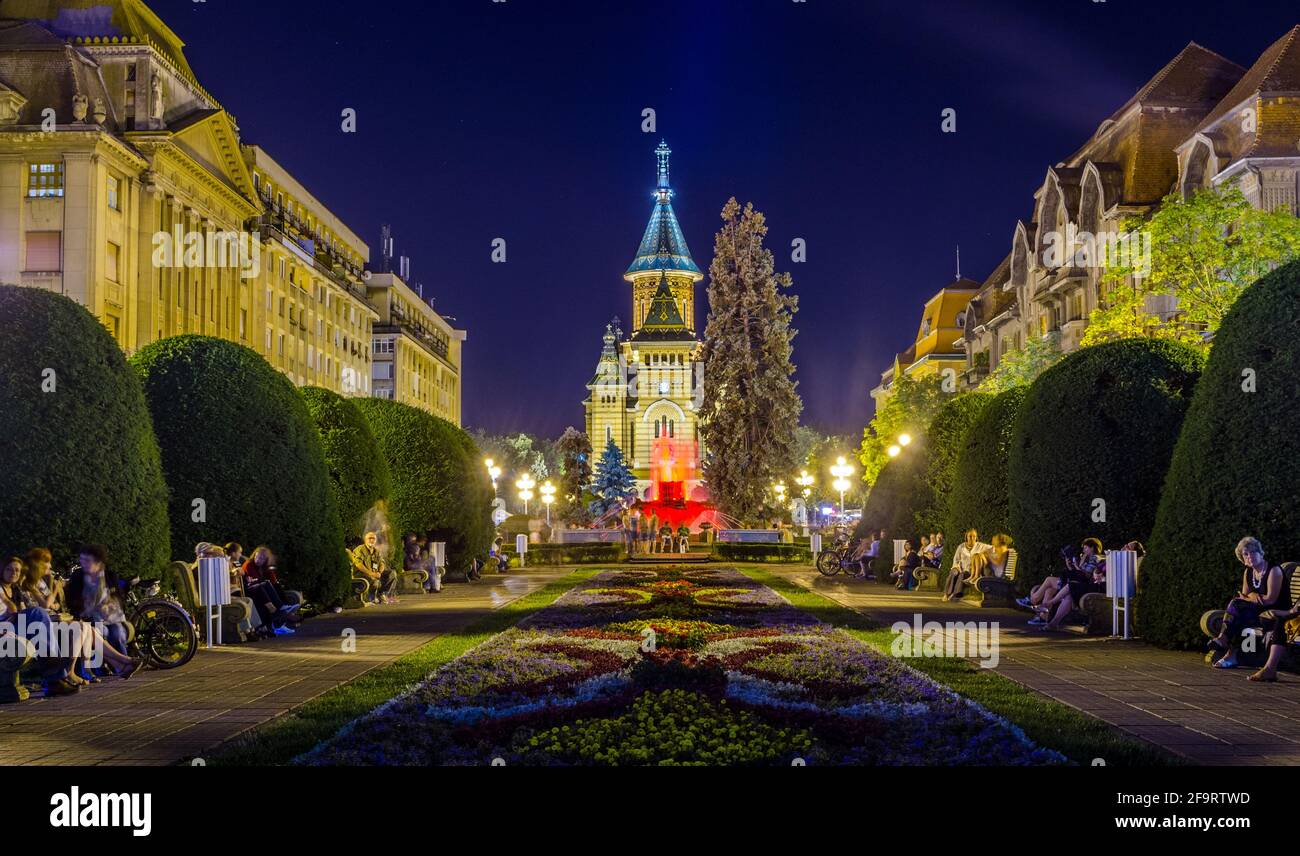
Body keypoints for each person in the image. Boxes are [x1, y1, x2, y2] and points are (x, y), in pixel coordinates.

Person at [1207, 537, 1284, 670]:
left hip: (1275, 612)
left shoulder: (1273, 570)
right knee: (1238, 607)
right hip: (1258, 611)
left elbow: (1271, 599)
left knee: (1237, 607)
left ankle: (1227, 647)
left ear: (1261, 553)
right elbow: (1244, 598)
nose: (1250, 556)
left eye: (1253, 552)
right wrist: (1252, 597)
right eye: (1246, 554)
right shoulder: (1248, 572)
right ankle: (1231, 652)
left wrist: (1252, 596)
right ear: (1243, 560)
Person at [65, 544, 130, 660]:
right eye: (82, 560)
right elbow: (71, 600)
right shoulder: (78, 577)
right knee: (102, 632)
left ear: (98, 562)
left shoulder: (109, 576)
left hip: (111, 617)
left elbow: (120, 597)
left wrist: (111, 604)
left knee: (118, 634)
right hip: (89, 618)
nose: (83, 564)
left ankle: (124, 663)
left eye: (87, 560)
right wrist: (84, 605)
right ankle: (103, 667)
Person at [1031, 537, 1103, 630]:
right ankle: (1047, 619)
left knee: (1049, 580)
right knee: (1050, 590)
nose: (1084, 550)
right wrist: (1070, 565)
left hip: (1081, 584)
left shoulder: (1095, 557)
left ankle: (1033, 600)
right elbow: (1077, 573)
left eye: (1086, 548)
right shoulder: (1087, 558)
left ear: (1092, 548)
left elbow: (1086, 575)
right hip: (1076, 582)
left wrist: (1077, 565)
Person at [242, 546, 298, 632]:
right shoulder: (249, 564)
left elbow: (273, 580)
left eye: (262, 558)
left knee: (274, 585)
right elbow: (255, 580)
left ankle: (283, 609)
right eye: (257, 557)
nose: (259, 560)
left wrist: (268, 569)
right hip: (250, 588)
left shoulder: (262, 567)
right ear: (254, 555)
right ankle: (283, 613)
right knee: (265, 585)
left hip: (258, 587)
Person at [351, 530, 397, 604]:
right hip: (361, 574)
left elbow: (382, 563)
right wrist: (371, 573)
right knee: (374, 580)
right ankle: (371, 598)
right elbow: (358, 564)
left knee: (392, 573)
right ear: (365, 540)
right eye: (370, 538)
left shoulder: (376, 551)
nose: (372, 540)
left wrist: (379, 572)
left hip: (374, 573)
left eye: (373, 538)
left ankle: (381, 594)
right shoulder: (360, 549)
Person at [944, 529, 990, 601]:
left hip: (972, 573)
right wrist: (956, 567)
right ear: (966, 537)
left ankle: (955, 594)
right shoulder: (961, 547)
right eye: (970, 536)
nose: (972, 538)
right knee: (953, 572)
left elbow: (993, 547)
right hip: (960, 568)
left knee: (963, 574)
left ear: (976, 537)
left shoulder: (981, 546)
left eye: (974, 536)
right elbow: (956, 560)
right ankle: (946, 594)